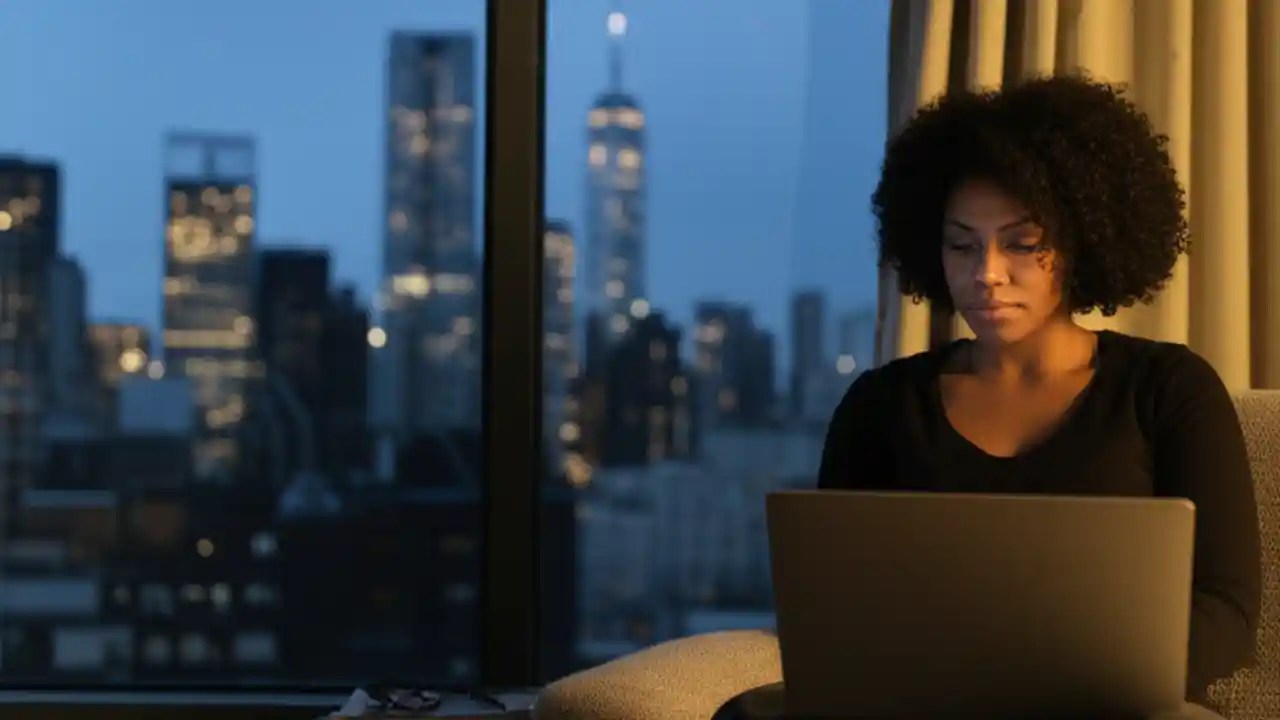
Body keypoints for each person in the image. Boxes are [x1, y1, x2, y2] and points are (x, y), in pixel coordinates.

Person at [816, 73, 1261, 714]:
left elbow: (1226, 608)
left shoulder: (1169, 390)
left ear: (1083, 239)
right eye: (961, 244)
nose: (987, 274)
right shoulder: (880, 407)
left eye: (1022, 244)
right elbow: (832, 603)